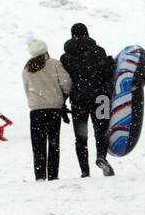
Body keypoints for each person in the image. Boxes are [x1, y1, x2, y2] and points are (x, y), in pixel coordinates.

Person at [60, 24, 115, 177]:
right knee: (102, 131)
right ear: (87, 33)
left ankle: (85, 171)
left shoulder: (65, 58)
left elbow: (65, 82)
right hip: (101, 97)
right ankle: (101, 157)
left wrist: (62, 104)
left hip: (78, 100)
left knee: (81, 137)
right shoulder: (99, 51)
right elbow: (106, 73)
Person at [22, 39, 73, 181]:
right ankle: (52, 175)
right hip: (53, 109)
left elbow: (26, 88)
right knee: (53, 143)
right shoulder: (55, 64)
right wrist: (62, 97)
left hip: (36, 110)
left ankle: (39, 175)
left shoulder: (27, 68)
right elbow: (66, 83)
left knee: (37, 144)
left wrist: (34, 101)